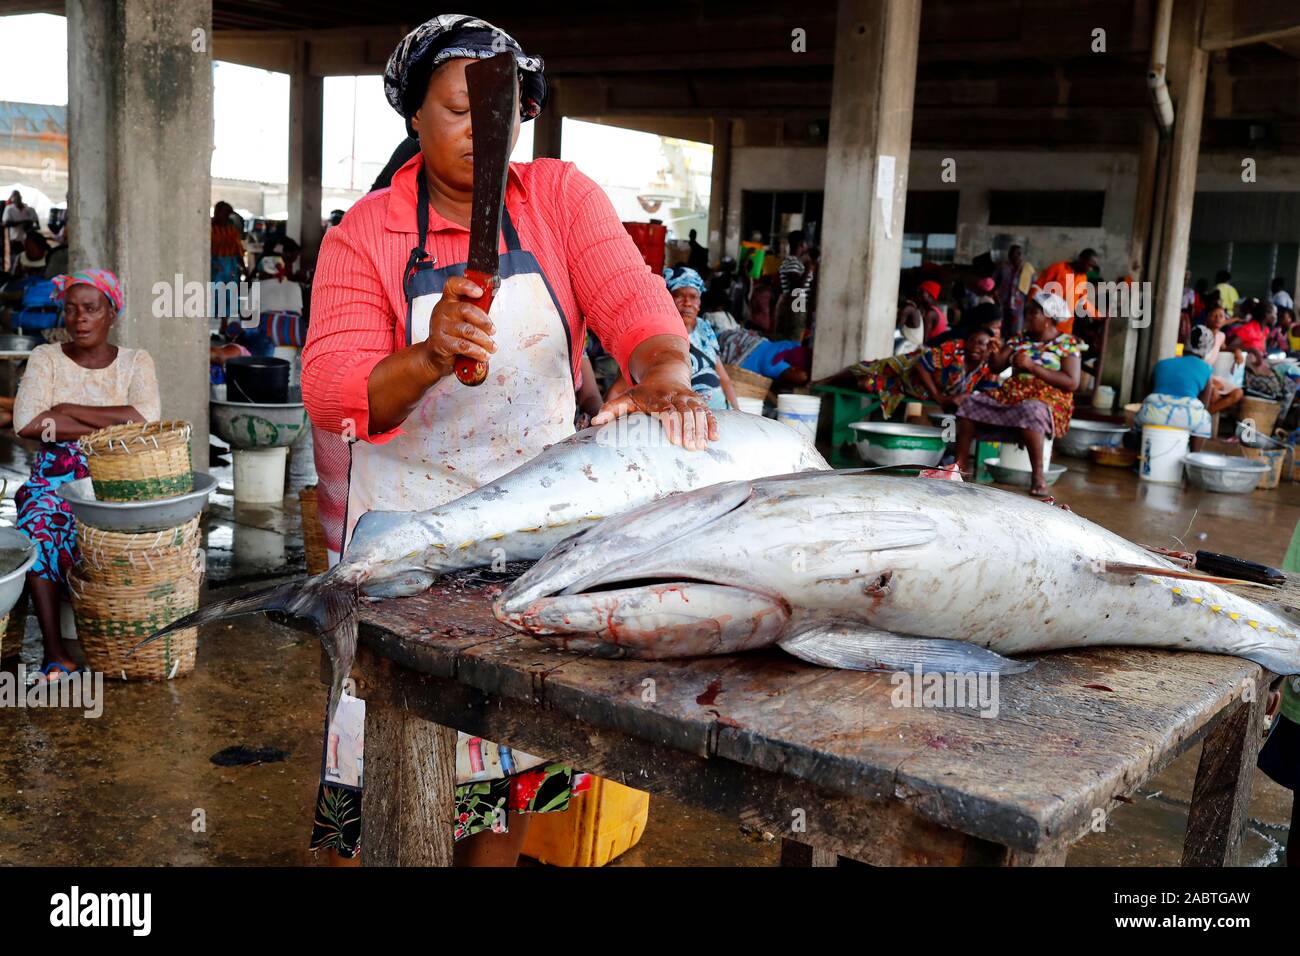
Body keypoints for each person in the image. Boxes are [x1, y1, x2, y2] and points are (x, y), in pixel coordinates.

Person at [301, 14, 716, 868]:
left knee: (504, 774)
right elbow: (333, 391)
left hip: (533, 543)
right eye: (459, 110)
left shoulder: (560, 200)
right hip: (406, 552)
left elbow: (634, 305)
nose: (486, 131)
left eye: (505, 112)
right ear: (413, 117)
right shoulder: (366, 235)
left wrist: (664, 371)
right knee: (406, 785)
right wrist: (425, 357)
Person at [11, 269, 160, 683]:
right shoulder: (46, 357)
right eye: (72, 309)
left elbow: (146, 420)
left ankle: (121, 643)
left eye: (91, 309)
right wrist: (111, 423)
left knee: (125, 531)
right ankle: (57, 654)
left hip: (116, 472)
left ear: (111, 313)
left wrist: (66, 410)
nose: (80, 318)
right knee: (40, 521)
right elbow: (27, 424)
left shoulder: (135, 361)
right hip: (55, 476)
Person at [955, 292, 1084, 497]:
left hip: (1049, 399)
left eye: (1033, 312)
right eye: (1027, 312)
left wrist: (1033, 367)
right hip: (1011, 394)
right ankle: (958, 467)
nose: (1027, 316)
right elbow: (997, 367)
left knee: (1031, 410)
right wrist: (992, 353)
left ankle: (1038, 477)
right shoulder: (1019, 339)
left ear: (1048, 318)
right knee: (969, 403)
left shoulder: (1067, 344)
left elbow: (1071, 382)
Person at [840, 326, 997, 419]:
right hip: (910, 371)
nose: (976, 346)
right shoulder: (953, 349)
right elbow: (921, 366)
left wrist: (963, 397)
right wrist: (939, 397)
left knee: (868, 383)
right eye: (972, 341)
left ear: (989, 347)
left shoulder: (990, 365)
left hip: (919, 390)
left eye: (982, 344)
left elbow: (988, 392)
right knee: (869, 369)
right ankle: (828, 380)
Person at [1135, 325, 1232, 451]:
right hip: (1186, 418)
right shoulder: (1206, 369)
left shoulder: (1162, 364)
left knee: (1140, 415)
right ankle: (1193, 455)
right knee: (1204, 417)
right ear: (1207, 350)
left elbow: (1146, 394)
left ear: (1184, 345)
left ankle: (1139, 452)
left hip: (1153, 416)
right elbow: (1204, 405)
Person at [1033, 247, 1099, 334]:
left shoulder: (1083, 278)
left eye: (1092, 267)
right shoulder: (1058, 268)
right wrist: (1034, 313)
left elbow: (1082, 301)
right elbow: (1036, 288)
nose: (1090, 269)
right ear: (1081, 258)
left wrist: (1097, 315)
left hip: (1066, 327)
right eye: (1089, 265)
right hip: (1048, 323)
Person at [992, 243, 1034, 337]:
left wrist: (1029, 303)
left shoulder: (1028, 270)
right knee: (1000, 329)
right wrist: (995, 296)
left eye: (1018, 253)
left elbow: (1033, 287)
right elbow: (992, 284)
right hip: (1002, 303)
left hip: (1019, 306)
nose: (1015, 256)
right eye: (1012, 253)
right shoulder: (1002, 268)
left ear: (1021, 255)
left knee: (1016, 331)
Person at [3, 190, 38, 272]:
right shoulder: (9, 209)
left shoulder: (29, 209)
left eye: (18, 196)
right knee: (16, 259)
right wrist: (22, 222)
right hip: (15, 239)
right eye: (14, 197)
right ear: (12, 199)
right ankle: (14, 274)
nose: (17, 198)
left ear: (21, 197)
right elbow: (5, 223)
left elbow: (36, 224)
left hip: (28, 240)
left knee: (28, 260)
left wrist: (29, 226)